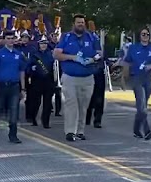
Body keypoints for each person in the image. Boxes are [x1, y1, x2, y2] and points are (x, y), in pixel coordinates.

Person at [53, 14, 102, 143]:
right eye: (78, 22)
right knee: (71, 104)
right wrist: (73, 57)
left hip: (87, 77)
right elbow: (56, 54)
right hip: (70, 77)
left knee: (83, 105)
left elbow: (100, 53)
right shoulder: (66, 37)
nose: (80, 24)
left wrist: (92, 59)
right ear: (73, 24)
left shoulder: (92, 37)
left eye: (82, 22)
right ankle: (70, 131)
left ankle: (80, 131)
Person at [121, 28, 151, 139]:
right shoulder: (133, 48)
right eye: (143, 34)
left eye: (147, 34)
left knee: (142, 106)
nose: (145, 36)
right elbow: (126, 63)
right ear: (139, 36)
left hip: (148, 79)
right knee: (142, 107)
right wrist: (123, 78)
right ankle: (147, 131)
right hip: (136, 78)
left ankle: (136, 129)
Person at [0, 30, 26, 144]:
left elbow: (22, 72)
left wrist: (23, 88)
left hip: (14, 86)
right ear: (4, 40)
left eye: (12, 38)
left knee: (14, 111)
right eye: (8, 38)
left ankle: (13, 135)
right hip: (1, 86)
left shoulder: (18, 54)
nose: (10, 41)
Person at [25, 37, 56, 129]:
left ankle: (45, 121)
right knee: (36, 102)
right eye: (42, 44)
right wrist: (31, 69)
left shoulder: (51, 55)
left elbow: (56, 67)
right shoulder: (34, 55)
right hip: (37, 81)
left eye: (45, 44)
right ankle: (34, 118)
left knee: (47, 103)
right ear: (39, 45)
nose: (43, 45)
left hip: (48, 80)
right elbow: (27, 68)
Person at [84, 53, 112, 129]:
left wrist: (107, 63)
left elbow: (108, 62)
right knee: (88, 98)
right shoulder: (87, 47)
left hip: (99, 75)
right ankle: (86, 118)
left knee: (99, 100)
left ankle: (97, 120)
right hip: (88, 74)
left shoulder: (100, 51)